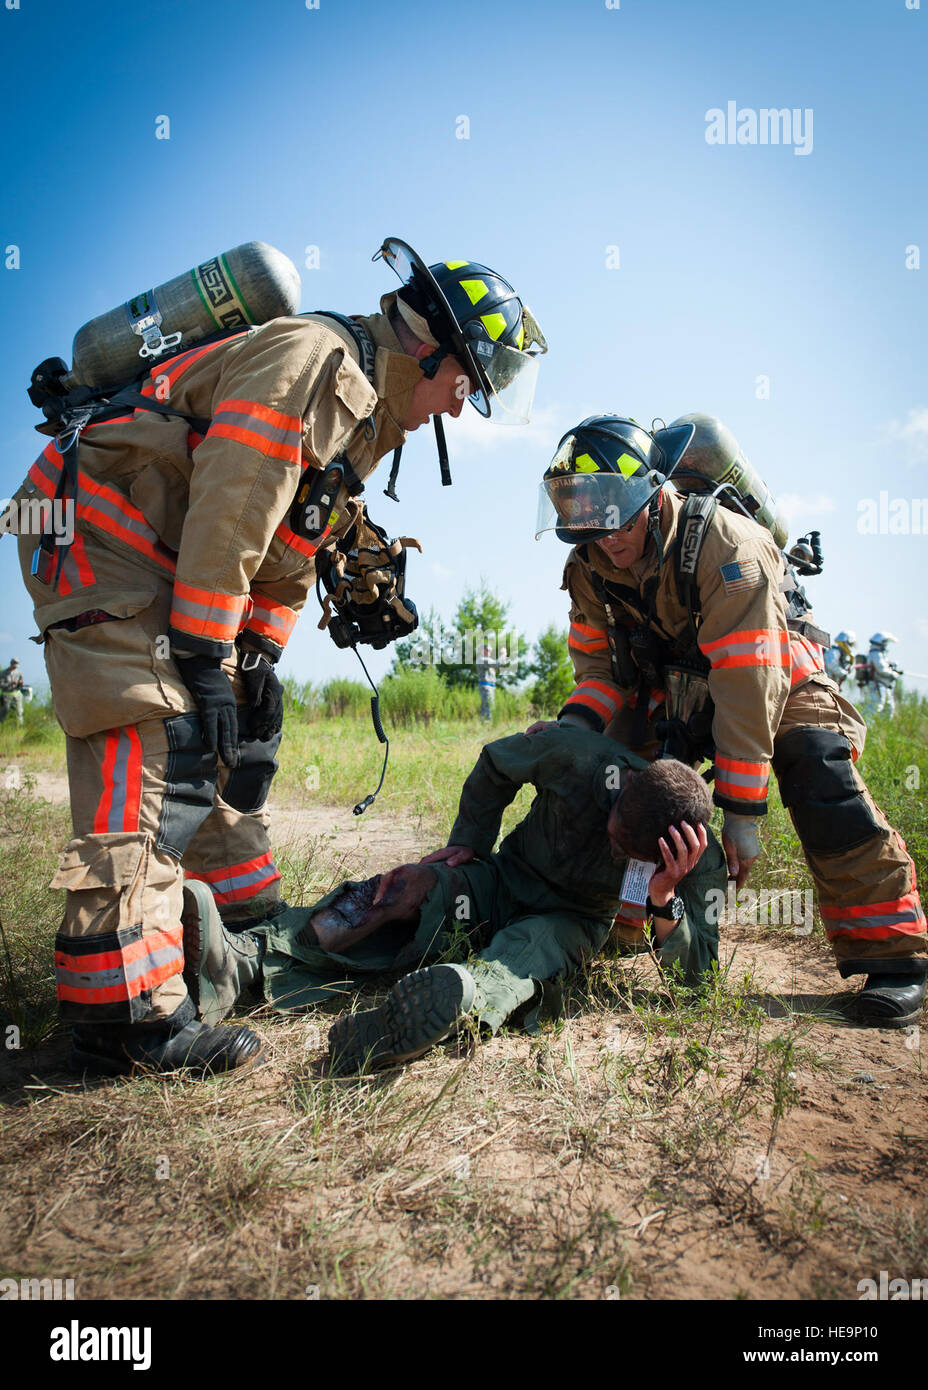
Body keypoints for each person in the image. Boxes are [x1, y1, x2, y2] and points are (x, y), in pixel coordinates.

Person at [11, 241, 547, 1078]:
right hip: (97, 534)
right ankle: (125, 1022)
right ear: (430, 347)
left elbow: (293, 543)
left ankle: (244, 924)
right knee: (150, 739)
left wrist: (255, 658)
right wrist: (198, 655)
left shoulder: (365, 408)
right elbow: (233, 507)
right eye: (466, 381)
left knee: (225, 740)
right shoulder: (315, 361)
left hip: (169, 553)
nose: (460, 404)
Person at [535, 415, 926, 1028]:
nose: (608, 540)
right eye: (592, 527)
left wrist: (741, 814)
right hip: (670, 684)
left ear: (654, 493)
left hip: (773, 668)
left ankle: (894, 955)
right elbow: (599, 673)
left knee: (816, 770)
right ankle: (624, 922)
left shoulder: (728, 544)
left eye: (621, 521)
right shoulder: (589, 561)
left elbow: (748, 685)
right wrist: (572, 735)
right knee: (610, 781)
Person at [179, 723, 722, 1073]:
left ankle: (459, 996)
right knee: (402, 891)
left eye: (624, 848)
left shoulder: (699, 860)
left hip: (571, 922)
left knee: (524, 951)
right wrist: (468, 841)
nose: (610, 842)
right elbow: (495, 764)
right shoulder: (580, 755)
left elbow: (698, 984)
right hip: (503, 880)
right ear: (625, 783)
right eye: (612, 826)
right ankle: (245, 959)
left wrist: (663, 897)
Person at [862, 632, 902, 718]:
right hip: (878, 685)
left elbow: (883, 666)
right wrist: (894, 674)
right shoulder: (876, 654)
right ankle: (866, 726)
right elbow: (881, 669)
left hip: (883, 685)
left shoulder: (878, 654)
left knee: (888, 707)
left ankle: (883, 726)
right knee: (875, 706)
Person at [476, 641, 500, 721]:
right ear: (483, 650)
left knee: (485, 706)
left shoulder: (486, 660)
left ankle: (482, 723)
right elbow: (497, 663)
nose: (490, 652)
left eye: (490, 650)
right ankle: (487, 723)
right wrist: (503, 655)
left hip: (489, 686)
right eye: (488, 650)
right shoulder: (483, 660)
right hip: (486, 686)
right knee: (489, 706)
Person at [0, 659, 26, 727]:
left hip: (17, 695)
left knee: (19, 711)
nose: (15, 667)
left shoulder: (19, 673)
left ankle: (19, 726)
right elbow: (1, 685)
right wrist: (10, 683)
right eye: (14, 665)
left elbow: (21, 683)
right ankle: (1, 725)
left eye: (16, 666)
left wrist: (21, 684)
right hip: (6, 695)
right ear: (11, 664)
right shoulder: (3, 673)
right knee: (4, 711)